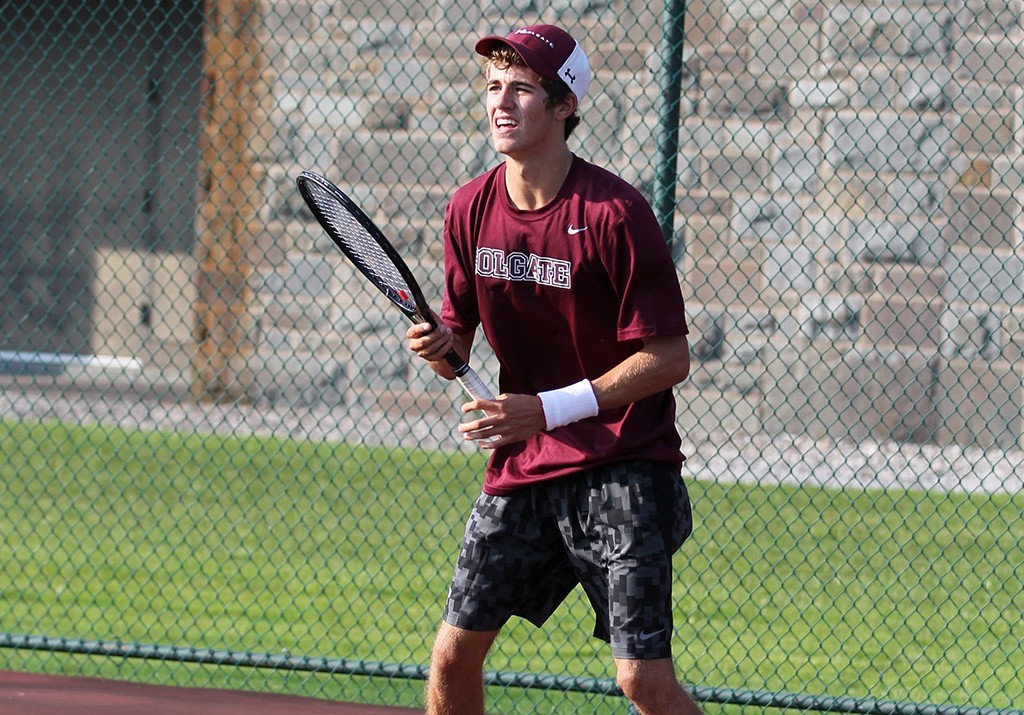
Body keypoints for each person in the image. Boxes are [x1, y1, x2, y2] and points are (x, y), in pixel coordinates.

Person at [406, 24, 702, 715]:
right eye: (491, 87)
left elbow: (669, 357)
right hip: (526, 465)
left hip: (626, 466)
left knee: (642, 682)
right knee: (452, 658)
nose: (499, 103)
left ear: (565, 105)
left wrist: (546, 409)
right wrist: (441, 345)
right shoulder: (469, 208)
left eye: (520, 89)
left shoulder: (614, 213)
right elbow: (459, 343)